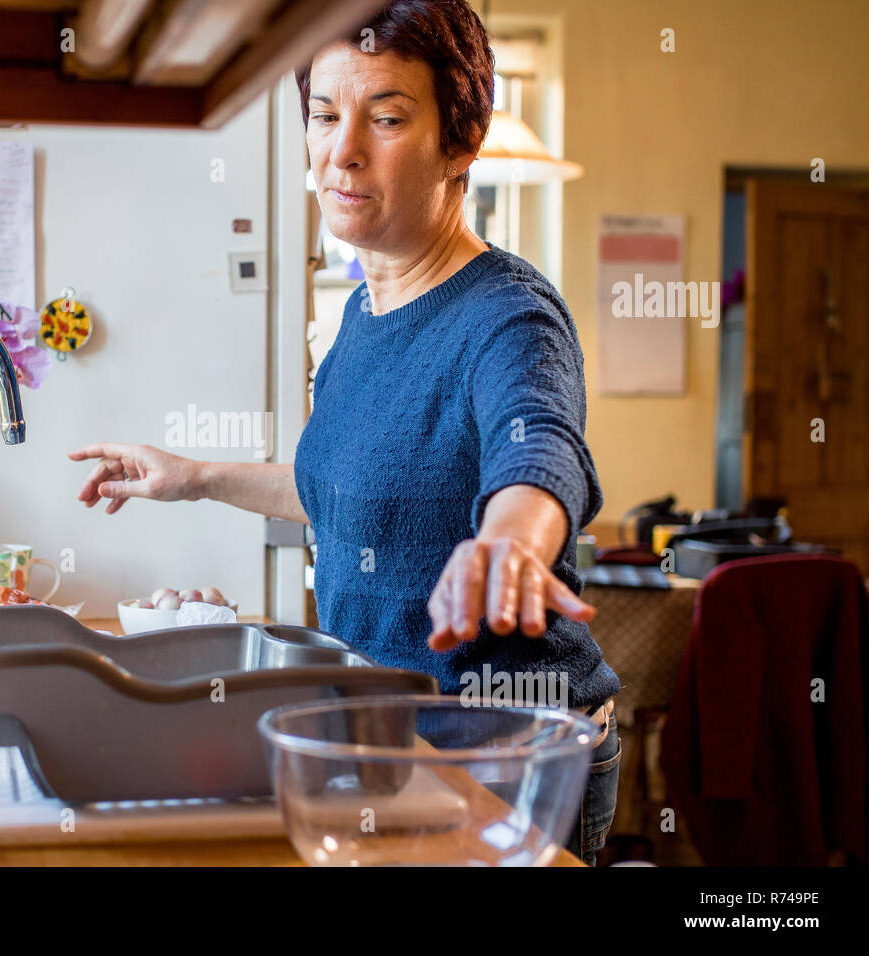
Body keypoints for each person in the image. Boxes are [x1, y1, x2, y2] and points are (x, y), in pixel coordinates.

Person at [69, 0, 621, 866]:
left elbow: (539, 451)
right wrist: (195, 476)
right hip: (395, 744)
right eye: (325, 117)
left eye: (388, 117)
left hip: (507, 756)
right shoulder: (364, 313)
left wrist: (512, 542)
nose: (342, 150)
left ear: (461, 141)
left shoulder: (510, 317)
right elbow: (347, 484)